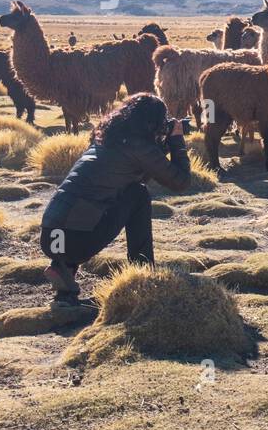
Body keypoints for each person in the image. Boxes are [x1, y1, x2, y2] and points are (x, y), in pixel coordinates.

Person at [39, 93, 191, 308]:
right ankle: (142, 272)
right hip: (76, 241)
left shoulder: (103, 139)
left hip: (50, 236)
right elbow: (181, 181)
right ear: (151, 122)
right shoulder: (138, 147)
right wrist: (176, 141)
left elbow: (131, 171)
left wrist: (161, 147)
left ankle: (62, 268)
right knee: (138, 194)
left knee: (97, 200)